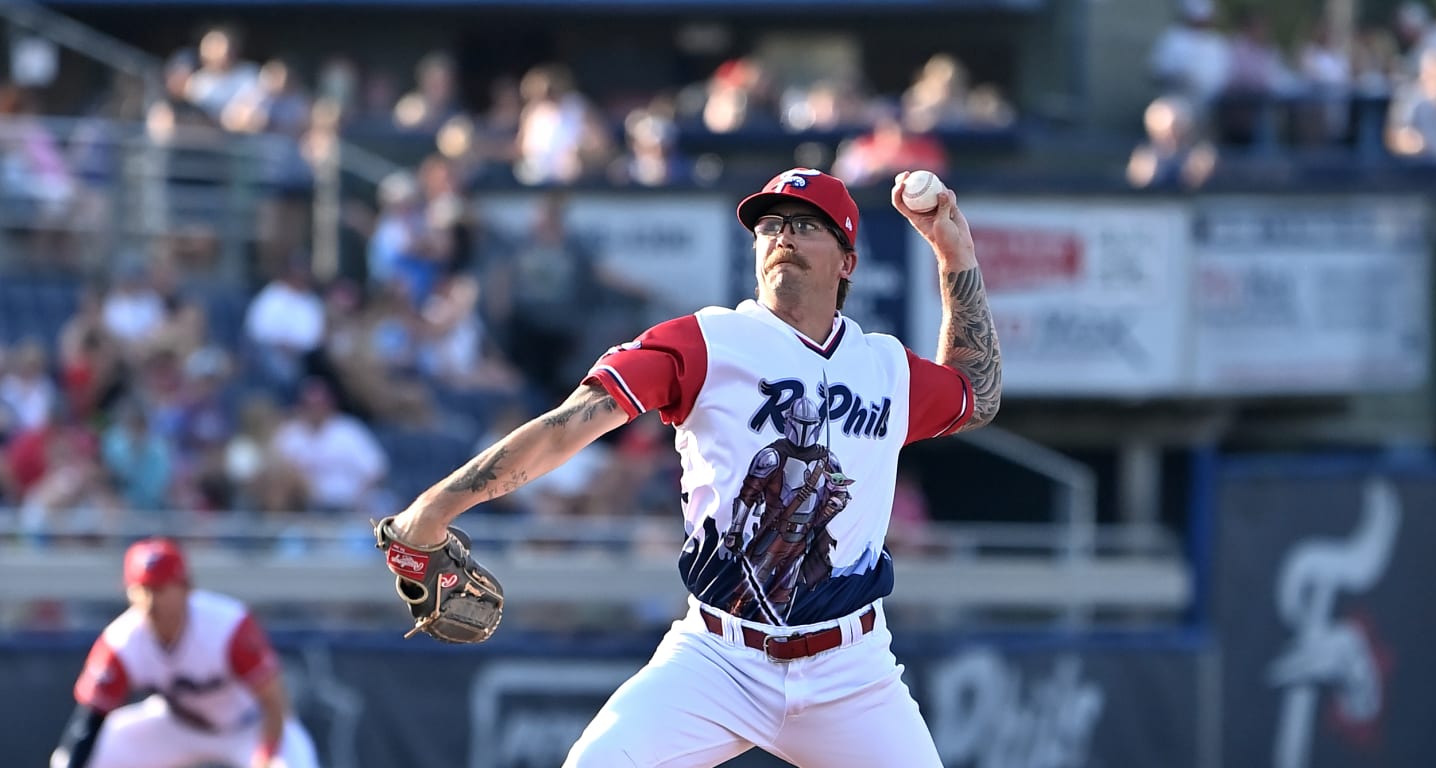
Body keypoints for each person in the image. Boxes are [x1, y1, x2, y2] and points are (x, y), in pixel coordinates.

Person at [380, 166, 1001, 766]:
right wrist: (433, 509)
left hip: (851, 670)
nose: (783, 235)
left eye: (806, 225)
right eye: (770, 224)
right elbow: (564, 429)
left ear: (847, 262)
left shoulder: (884, 367)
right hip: (719, 656)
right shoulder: (706, 342)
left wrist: (955, 252)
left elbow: (978, 391)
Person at [51, 537, 319, 768]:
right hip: (176, 726)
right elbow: (89, 722)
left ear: (186, 587)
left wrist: (265, 756)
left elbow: (274, 702)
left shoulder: (226, 625)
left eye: (160, 588)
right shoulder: (122, 639)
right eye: (142, 589)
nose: (151, 599)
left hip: (249, 726)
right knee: (75, 758)